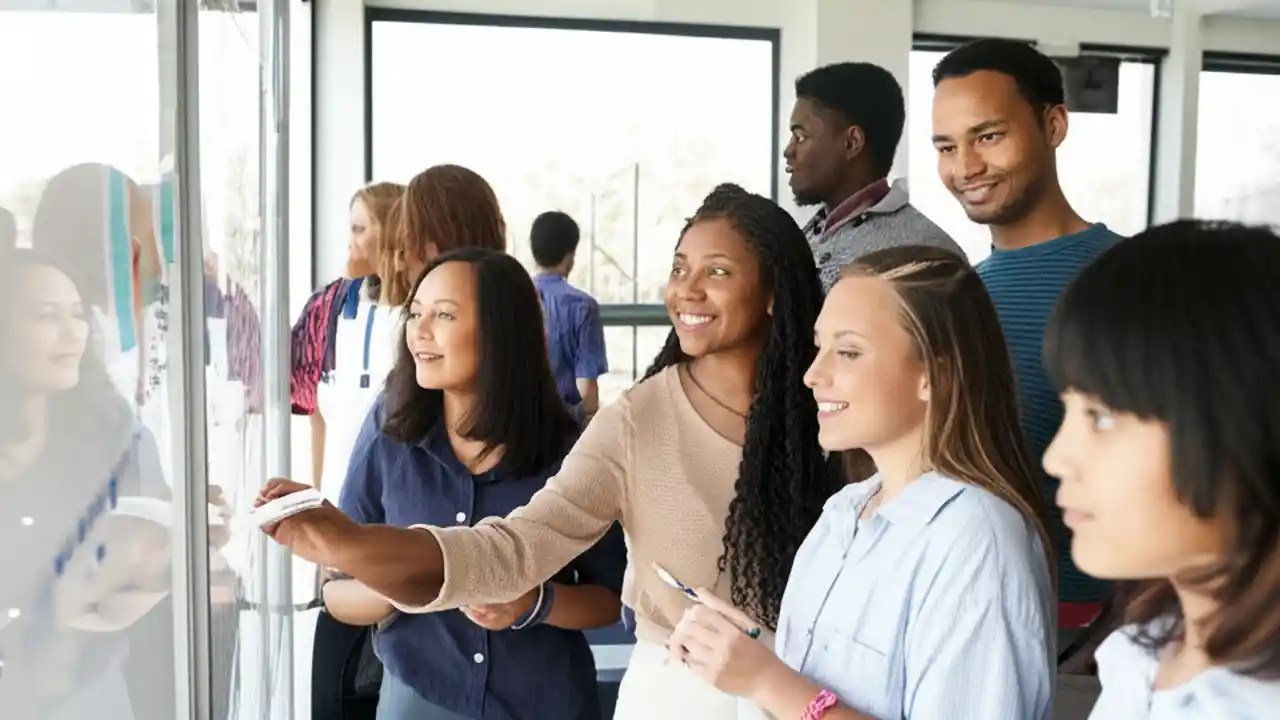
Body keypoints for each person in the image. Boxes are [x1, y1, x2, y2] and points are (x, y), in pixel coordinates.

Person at [258, 183, 835, 719]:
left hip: (821, 691)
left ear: (771, 294)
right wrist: (353, 545)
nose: (687, 289)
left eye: (718, 271)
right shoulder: (635, 423)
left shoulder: (830, 415)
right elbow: (517, 544)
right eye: (680, 267)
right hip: (686, 697)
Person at [666, 246, 1056, 719]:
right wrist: (753, 653)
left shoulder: (976, 541)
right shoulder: (845, 512)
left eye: (848, 352)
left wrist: (766, 679)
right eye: (820, 348)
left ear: (935, 374)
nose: (813, 375)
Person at [323, 248, 625, 719]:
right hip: (419, 701)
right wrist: (408, 586)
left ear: (501, 332)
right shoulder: (390, 428)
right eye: (415, 313)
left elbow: (612, 598)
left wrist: (533, 603)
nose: (420, 331)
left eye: (443, 315)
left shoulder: (570, 448)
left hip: (545, 704)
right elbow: (336, 590)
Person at [1041, 220, 1280, 718]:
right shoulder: (1141, 652)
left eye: (1102, 418)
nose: (1056, 457)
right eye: (1070, 409)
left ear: (1245, 426)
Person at [930, 38, 1122, 648]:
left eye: (987, 136)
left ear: (1053, 124)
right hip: (967, 615)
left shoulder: (1128, 280)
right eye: (945, 146)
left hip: (1088, 632)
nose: (965, 167)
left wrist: (1120, 628)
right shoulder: (956, 299)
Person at [0, 250, 175, 720]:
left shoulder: (114, 433)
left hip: (83, 691)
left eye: (77, 315)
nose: (72, 332)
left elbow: (160, 556)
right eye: (46, 316)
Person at [290, 180, 404, 720]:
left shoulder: (418, 315)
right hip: (339, 532)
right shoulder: (328, 309)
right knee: (336, 688)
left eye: (361, 229)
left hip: (399, 534)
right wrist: (316, 510)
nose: (350, 242)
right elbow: (314, 414)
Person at [786, 62, 960, 291]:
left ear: (851, 143)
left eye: (800, 137)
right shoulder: (807, 236)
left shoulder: (924, 256)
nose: (788, 151)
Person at [529, 210, 608, 423]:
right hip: (563, 429)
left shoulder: (511, 297)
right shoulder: (583, 306)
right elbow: (587, 390)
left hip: (515, 427)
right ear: (570, 255)